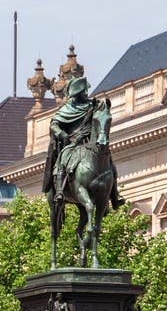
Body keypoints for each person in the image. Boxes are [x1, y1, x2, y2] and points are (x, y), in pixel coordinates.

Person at [42, 75, 125, 210]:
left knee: (110, 163)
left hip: (90, 142)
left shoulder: (91, 105)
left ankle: (115, 196)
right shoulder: (67, 108)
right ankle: (60, 191)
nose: (86, 93)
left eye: (86, 90)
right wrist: (62, 134)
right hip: (73, 143)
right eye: (83, 91)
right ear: (77, 92)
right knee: (63, 159)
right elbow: (54, 124)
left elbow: (101, 116)